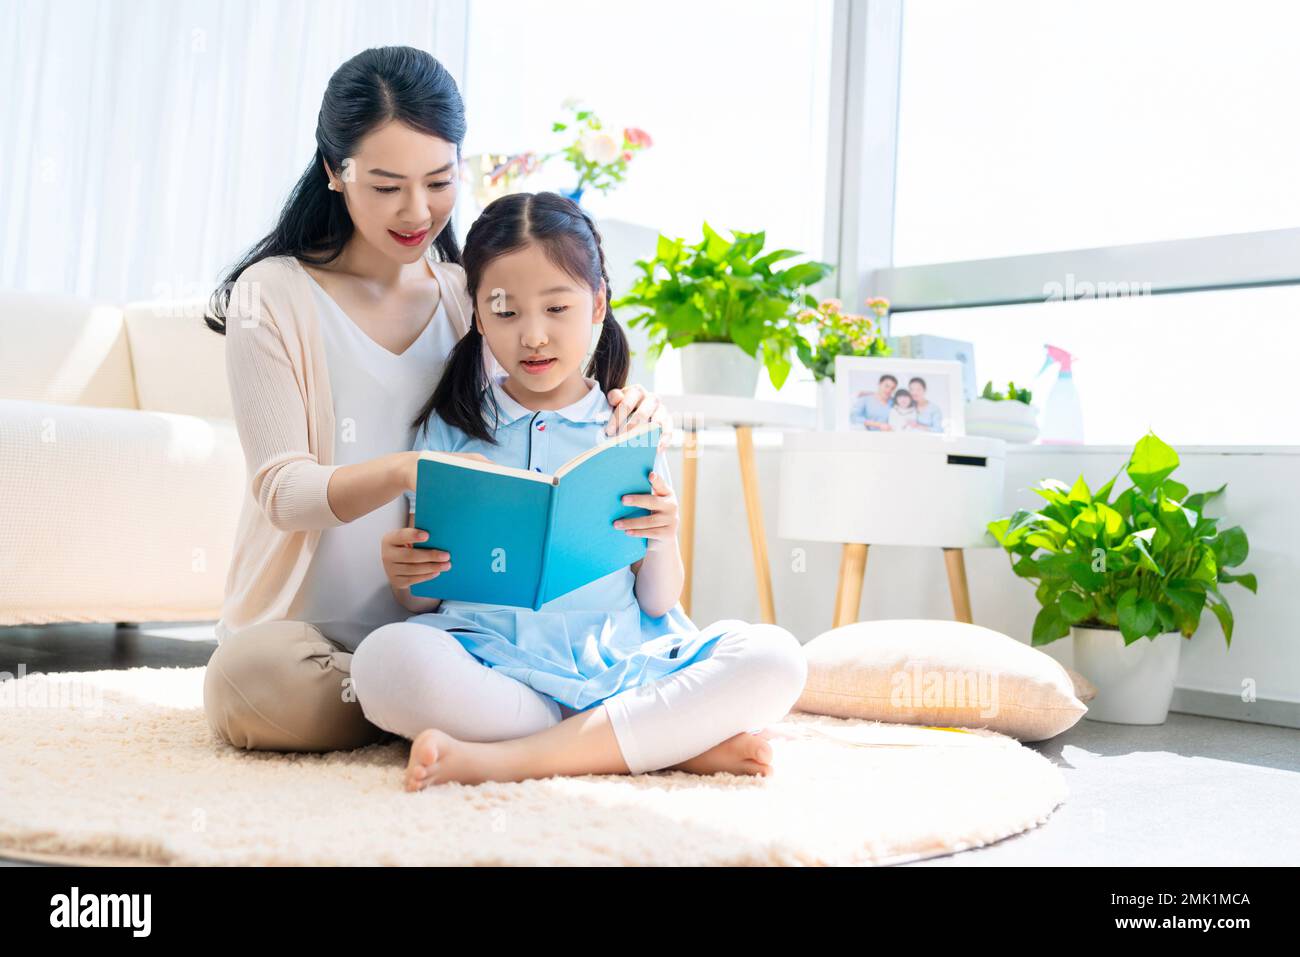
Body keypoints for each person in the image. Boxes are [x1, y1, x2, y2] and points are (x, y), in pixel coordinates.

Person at [200, 47, 670, 753]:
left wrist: (635, 407)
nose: (417, 211)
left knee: (644, 629)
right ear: (333, 171)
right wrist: (404, 471)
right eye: (386, 185)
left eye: (439, 180)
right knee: (252, 687)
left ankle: (498, 711)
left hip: (460, 630)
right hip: (313, 641)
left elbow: (550, 368)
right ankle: (564, 720)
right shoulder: (272, 294)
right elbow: (283, 490)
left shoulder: (466, 295)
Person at [348, 192, 808, 789]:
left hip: (620, 659)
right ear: (479, 316)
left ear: (596, 305)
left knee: (775, 659)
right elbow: (424, 604)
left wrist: (663, 539)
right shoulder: (453, 427)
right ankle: (649, 741)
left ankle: (508, 759)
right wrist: (406, 577)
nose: (534, 336)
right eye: (506, 313)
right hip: (492, 661)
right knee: (383, 664)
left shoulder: (630, 426)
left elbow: (659, 602)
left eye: (557, 308)